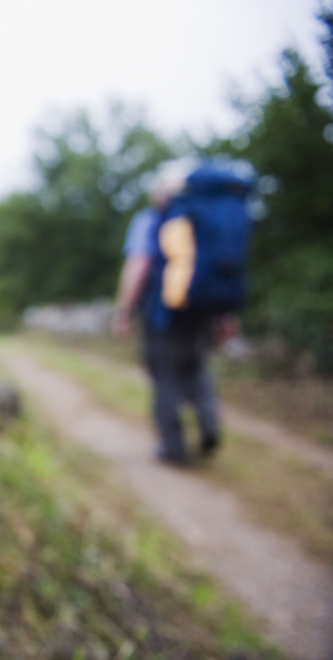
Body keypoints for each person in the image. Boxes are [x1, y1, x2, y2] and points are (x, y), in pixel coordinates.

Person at [112, 161, 243, 466]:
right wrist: (225, 316)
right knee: (196, 367)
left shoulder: (153, 220)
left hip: (164, 313)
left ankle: (174, 447)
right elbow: (219, 271)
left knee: (165, 373)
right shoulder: (207, 219)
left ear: (161, 191)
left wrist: (123, 312)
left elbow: (138, 266)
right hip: (203, 311)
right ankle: (209, 428)